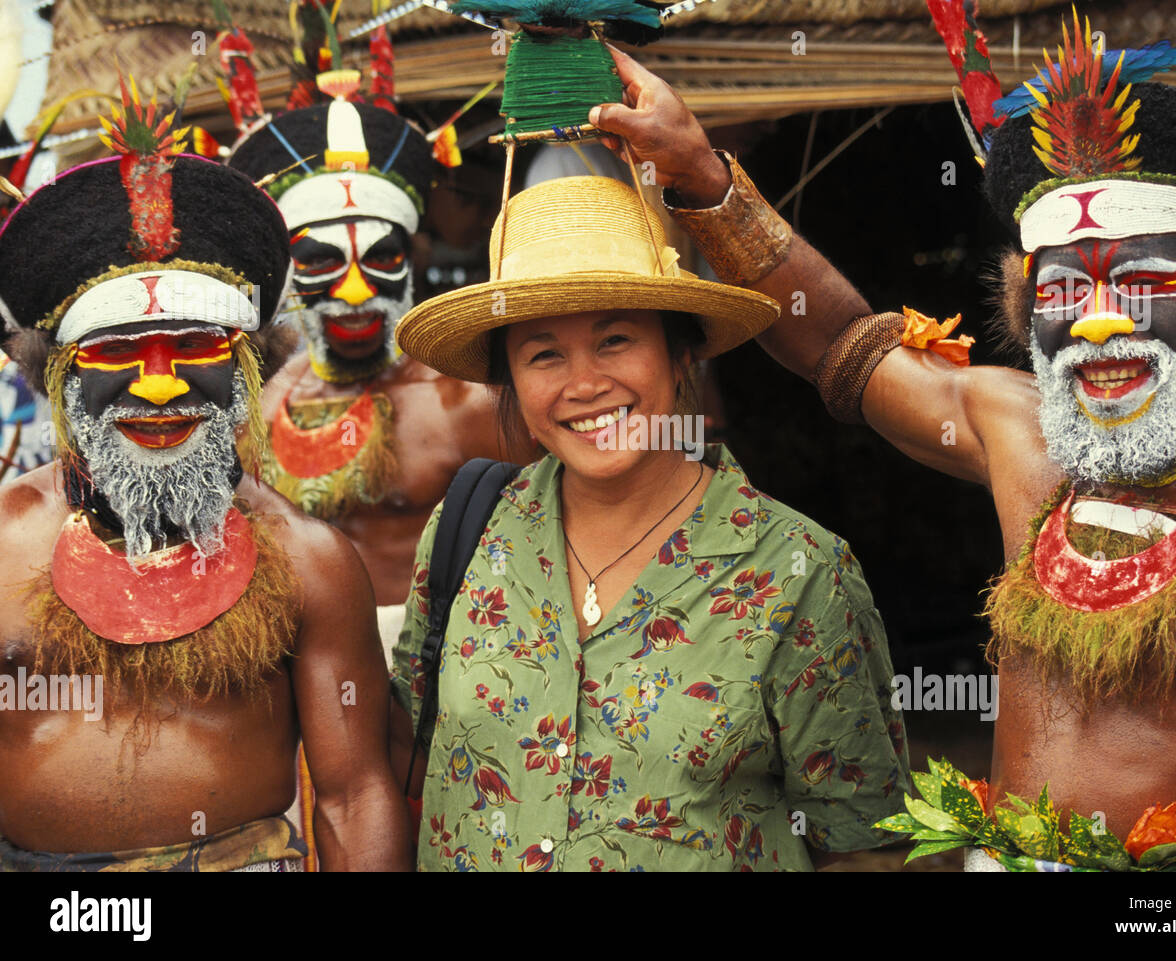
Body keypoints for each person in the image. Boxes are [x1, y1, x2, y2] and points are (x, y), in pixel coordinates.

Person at [586, 4, 1176, 871]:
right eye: (1066, 290)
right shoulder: (1021, 434)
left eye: (1147, 281)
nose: (1103, 325)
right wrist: (702, 177)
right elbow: (843, 345)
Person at [388, 173, 910, 871]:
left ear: (680, 351)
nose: (584, 384)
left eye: (615, 339)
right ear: (509, 379)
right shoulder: (470, 531)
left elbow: (863, 846)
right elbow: (406, 755)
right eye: (544, 353)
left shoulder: (798, 572)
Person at [0, 85, 410, 871]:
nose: (160, 386)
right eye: (119, 353)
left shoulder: (312, 561)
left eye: (193, 347)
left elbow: (353, 794)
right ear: (62, 379)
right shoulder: (4, 539)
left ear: (246, 370)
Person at [222, 9, 519, 630]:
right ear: (286, 277)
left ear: (412, 259)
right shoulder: (256, 405)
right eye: (323, 263)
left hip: (449, 671)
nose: (355, 291)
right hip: (308, 675)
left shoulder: (468, 397)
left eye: (381, 258)